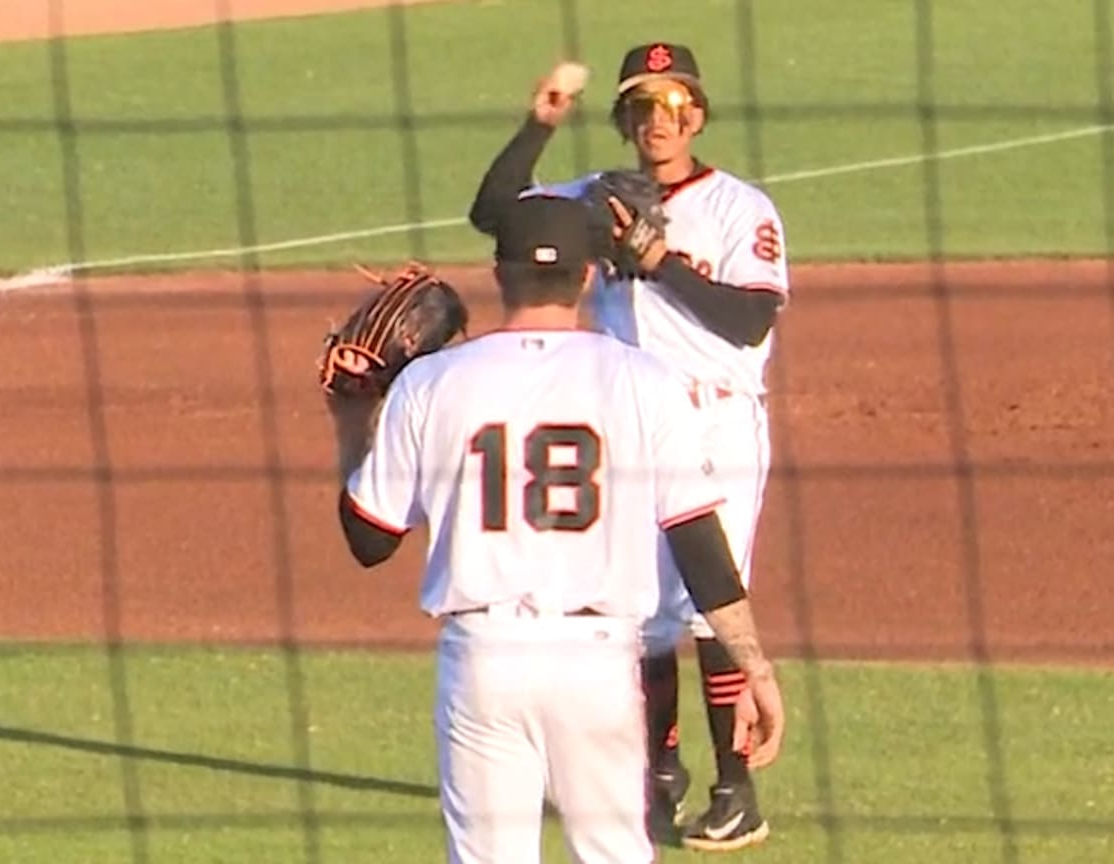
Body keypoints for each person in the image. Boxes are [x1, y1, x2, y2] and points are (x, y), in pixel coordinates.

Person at [327, 194, 786, 864]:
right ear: (589, 276)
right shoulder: (646, 381)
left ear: (498, 274)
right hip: (596, 661)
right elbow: (700, 546)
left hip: (483, 658)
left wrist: (351, 419)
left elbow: (369, 539)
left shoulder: (430, 383)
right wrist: (755, 669)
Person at [466, 43, 790, 852]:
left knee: (714, 605)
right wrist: (540, 121)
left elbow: (750, 319)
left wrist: (659, 262)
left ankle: (736, 786)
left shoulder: (739, 208)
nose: (660, 121)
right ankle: (657, 778)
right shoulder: (591, 203)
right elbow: (496, 211)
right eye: (643, 107)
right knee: (635, 616)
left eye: (676, 105)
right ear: (624, 119)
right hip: (626, 425)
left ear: (699, 114)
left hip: (716, 425)